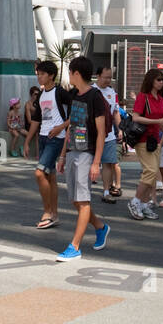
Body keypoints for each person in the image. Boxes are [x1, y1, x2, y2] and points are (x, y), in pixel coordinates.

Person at [54, 57, 112, 261]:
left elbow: (101, 132)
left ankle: (75, 246)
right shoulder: (74, 95)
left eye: (70, 72)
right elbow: (71, 126)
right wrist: (62, 155)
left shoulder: (95, 97)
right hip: (72, 151)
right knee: (75, 200)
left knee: (83, 200)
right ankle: (100, 227)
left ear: (76, 73)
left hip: (86, 153)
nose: (69, 76)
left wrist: (96, 162)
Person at [128, 69, 163, 221]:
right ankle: (136, 201)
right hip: (143, 139)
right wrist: (156, 122)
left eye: (162, 79)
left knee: (151, 173)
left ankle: (144, 204)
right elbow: (136, 118)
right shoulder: (143, 97)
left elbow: (161, 122)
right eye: (158, 79)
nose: (161, 82)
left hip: (155, 140)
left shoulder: (159, 99)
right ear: (151, 80)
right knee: (151, 170)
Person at [32, 62, 69, 228]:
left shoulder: (60, 92)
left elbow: (77, 113)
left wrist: (61, 127)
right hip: (43, 137)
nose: (39, 76)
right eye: (38, 73)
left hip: (57, 137)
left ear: (51, 75)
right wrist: (27, 141)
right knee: (50, 177)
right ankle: (54, 214)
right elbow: (37, 119)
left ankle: (47, 212)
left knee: (39, 173)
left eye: (42, 74)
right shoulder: (41, 94)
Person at [95, 66, 123, 202]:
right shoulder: (91, 91)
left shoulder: (112, 92)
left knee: (108, 163)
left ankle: (106, 191)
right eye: (105, 77)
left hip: (109, 134)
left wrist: (120, 129)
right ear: (98, 76)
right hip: (92, 135)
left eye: (110, 77)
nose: (108, 80)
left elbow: (115, 112)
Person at [23, 85, 41, 160]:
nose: (36, 96)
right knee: (37, 134)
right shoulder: (28, 104)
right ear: (31, 95)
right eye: (35, 94)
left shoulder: (39, 103)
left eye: (38, 94)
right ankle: (38, 154)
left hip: (38, 124)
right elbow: (29, 120)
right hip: (29, 124)